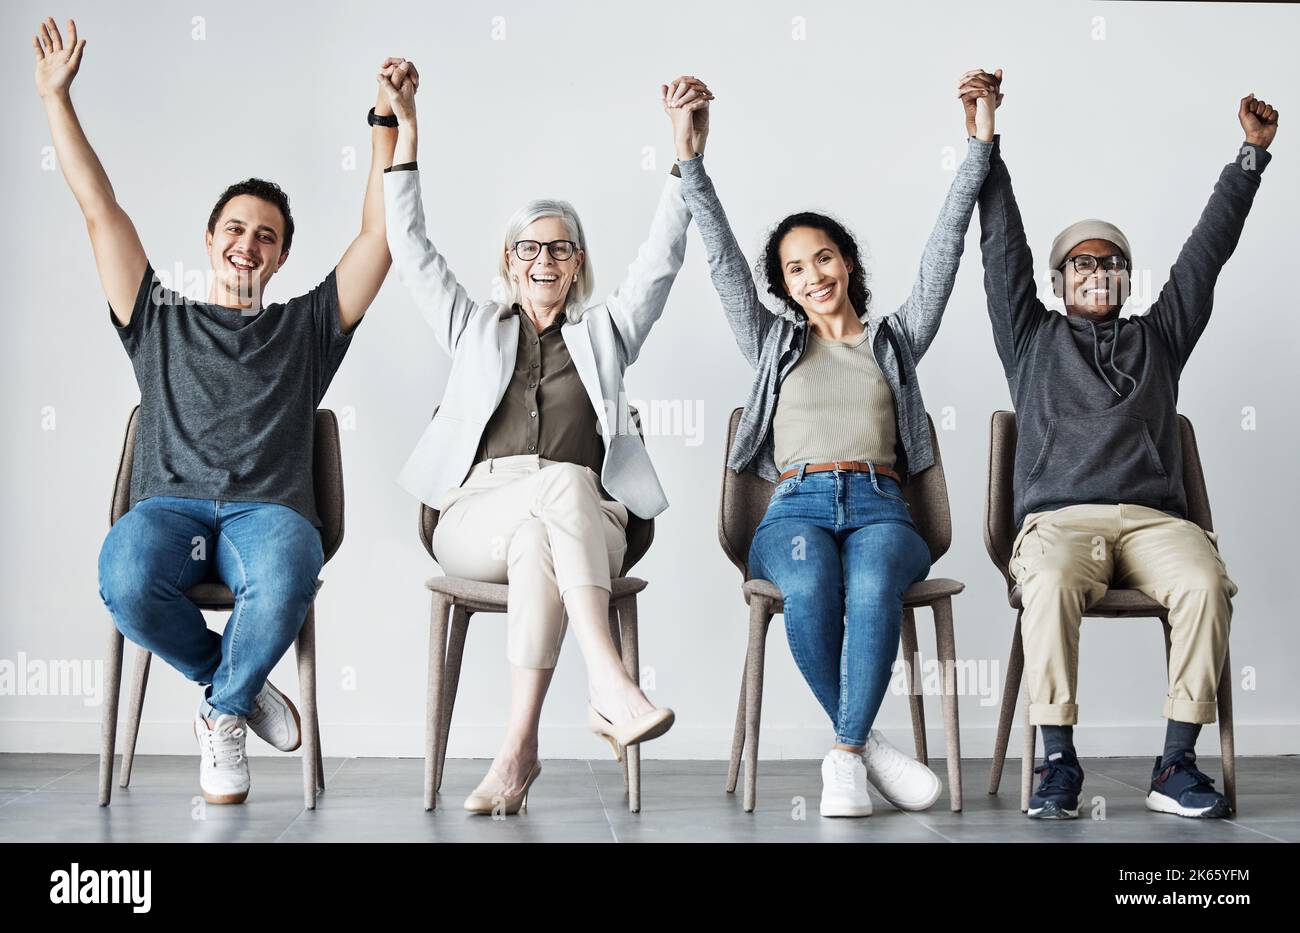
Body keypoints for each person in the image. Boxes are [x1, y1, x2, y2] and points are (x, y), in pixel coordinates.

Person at [35, 16, 400, 804]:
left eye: (265, 236)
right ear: (209, 238)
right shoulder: (157, 315)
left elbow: (380, 234)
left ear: (281, 255)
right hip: (169, 511)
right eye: (235, 228)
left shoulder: (305, 327)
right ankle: (233, 685)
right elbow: (99, 209)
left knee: (290, 568)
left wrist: (385, 125)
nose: (247, 244)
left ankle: (224, 712)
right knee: (125, 575)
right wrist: (56, 99)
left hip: (268, 514)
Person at [672, 73, 998, 817]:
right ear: (784, 287)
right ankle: (863, 747)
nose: (812, 275)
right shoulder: (771, 345)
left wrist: (977, 146)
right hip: (794, 508)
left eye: (823, 258)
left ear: (846, 261)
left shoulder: (895, 340)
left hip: (884, 505)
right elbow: (723, 261)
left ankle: (846, 753)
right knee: (812, 583)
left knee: (877, 580)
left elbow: (943, 255)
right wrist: (691, 162)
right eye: (794, 268)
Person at [382, 68, 704, 814]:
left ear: (578, 263)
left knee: (544, 529)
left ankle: (516, 753)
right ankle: (608, 681)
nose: (544, 263)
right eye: (528, 250)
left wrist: (684, 155)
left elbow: (662, 256)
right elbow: (410, 245)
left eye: (559, 250)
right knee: (552, 489)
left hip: (586, 523)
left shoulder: (607, 334)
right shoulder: (472, 329)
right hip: (475, 515)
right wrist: (407, 129)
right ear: (508, 264)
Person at [966, 67, 1278, 819]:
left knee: (1205, 582)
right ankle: (1059, 767)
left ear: (1126, 280)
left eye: (1110, 265)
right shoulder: (1032, 338)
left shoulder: (1159, 338)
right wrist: (984, 138)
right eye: (1083, 263)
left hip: (1154, 521)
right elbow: (1001, 243)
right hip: (1059, 523)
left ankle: (1176, 763)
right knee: (1045, 583)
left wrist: (1250, 157)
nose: (1097, 272)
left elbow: (1207, 254)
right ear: (1062, 278)